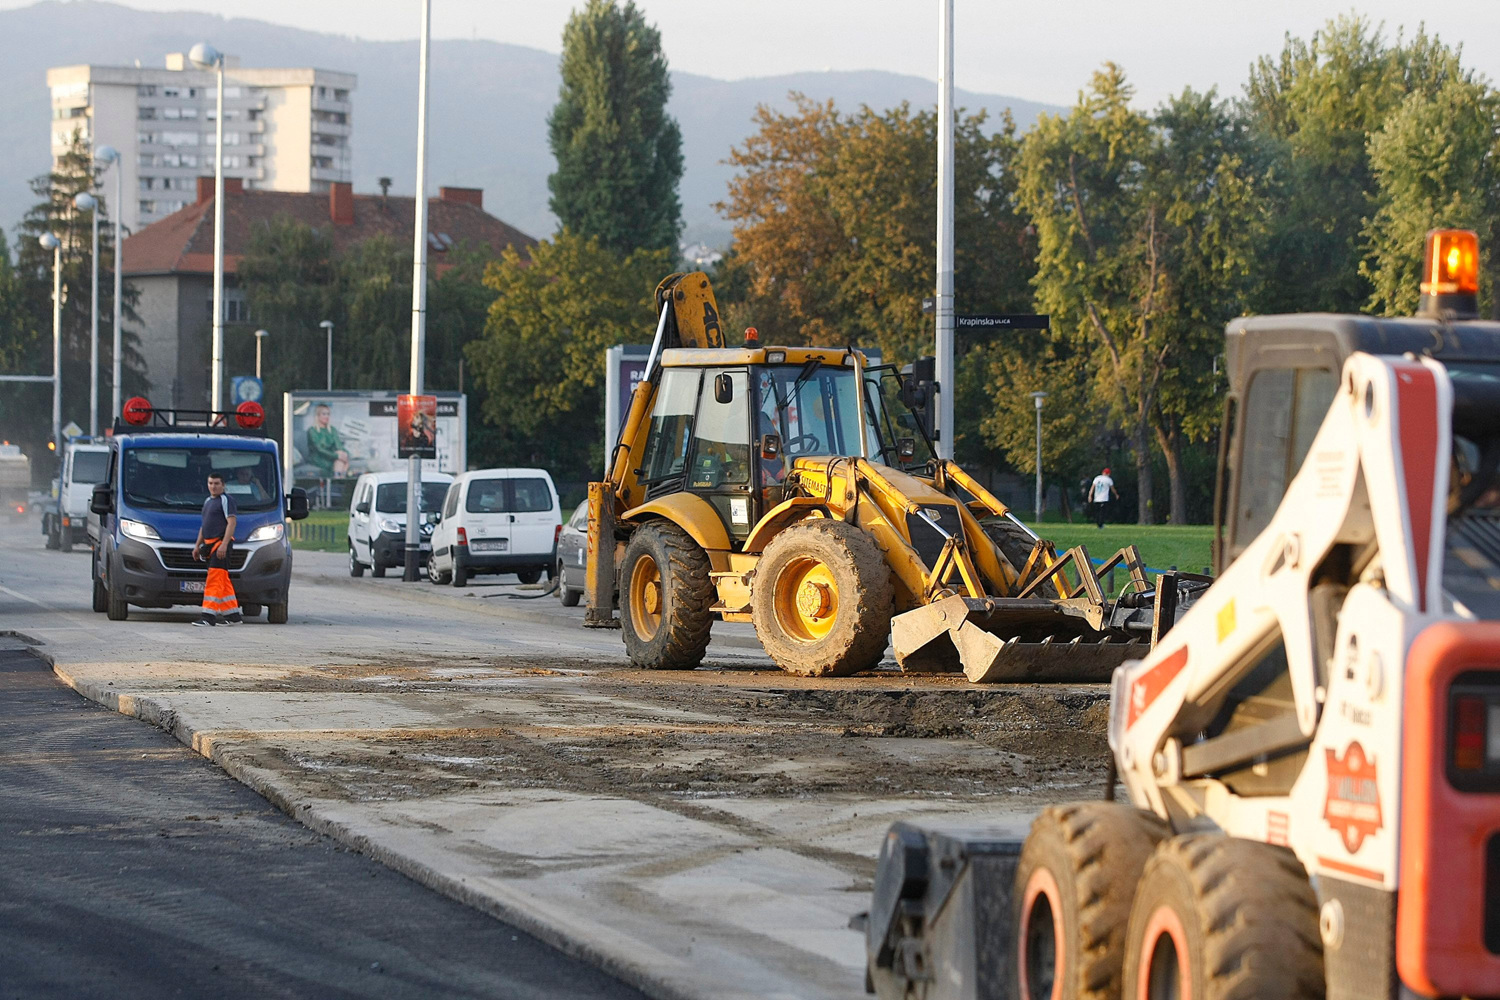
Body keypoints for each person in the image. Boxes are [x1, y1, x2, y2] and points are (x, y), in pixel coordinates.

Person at [193, 471, 242, 626]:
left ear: (223, 485)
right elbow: (204, 525)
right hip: (209, 546)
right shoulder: (208, 501)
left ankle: (208, 617)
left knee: (214, 580)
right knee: (223, 580)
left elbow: (232, 523)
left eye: (216, 483)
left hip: (220, 546)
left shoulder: (226, 500)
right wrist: (197, 546)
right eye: (210, 483)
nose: (213, 486)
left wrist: (224, 544)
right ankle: (233, 616)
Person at [305, 403, 349, 477]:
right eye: (324, 414)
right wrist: (337, 456)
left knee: (341, 459)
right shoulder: (312, 430)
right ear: (318, 415)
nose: (327, 416)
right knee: (340, 461)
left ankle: (338, 478)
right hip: (319, 458)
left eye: (328, 414)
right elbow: (319, 449)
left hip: (333, 457)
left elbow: (338, 445)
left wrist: (344, 454)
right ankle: (339, 479)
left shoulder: (332, 430)